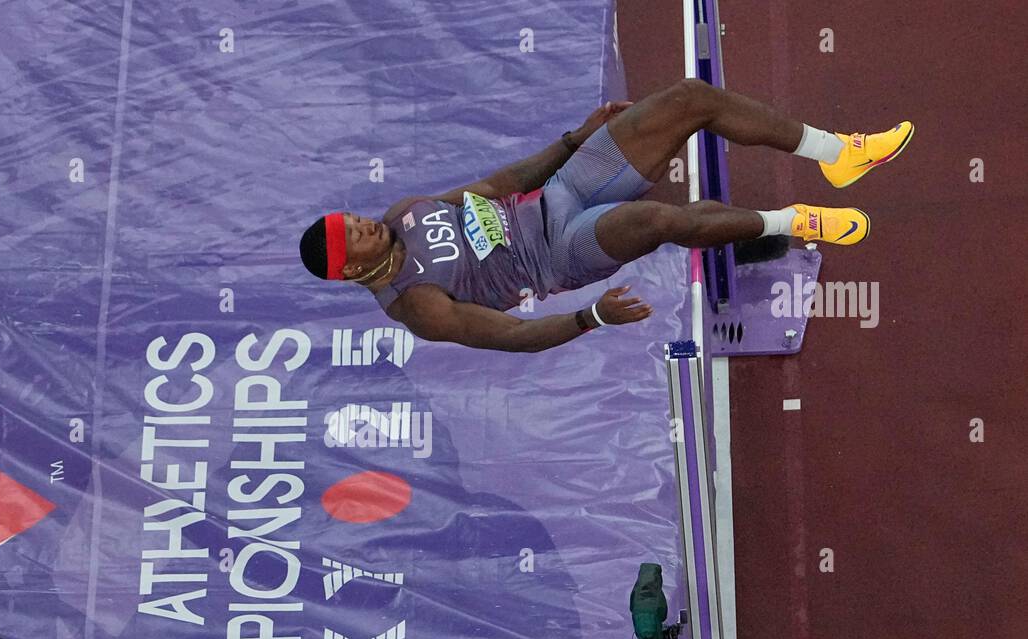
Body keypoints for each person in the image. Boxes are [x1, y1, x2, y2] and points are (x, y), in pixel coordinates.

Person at [298, 79, 913, 352]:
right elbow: (515, 337)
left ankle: (838, 154)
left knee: (688, 100)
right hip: (559, 256)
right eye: (354, 234)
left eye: (354, 217)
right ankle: (793, 222)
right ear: (350, 267)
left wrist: (572, 140)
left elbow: (498, 184)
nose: (364, 223)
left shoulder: (405, 212)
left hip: (558, 193)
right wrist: (590, 315)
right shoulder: (419, 307)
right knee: (658, 222)